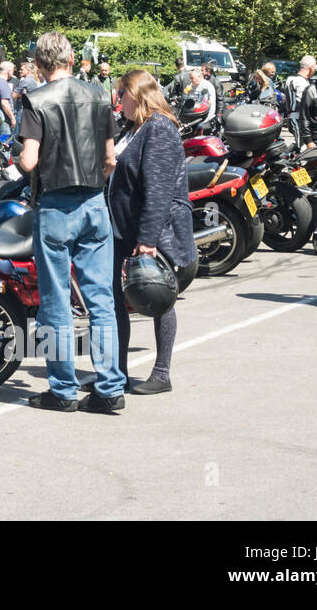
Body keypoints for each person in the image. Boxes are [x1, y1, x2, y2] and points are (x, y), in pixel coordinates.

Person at [19, 31, 123, 413]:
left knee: (56, 302)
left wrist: (20, 160)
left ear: (40, 64)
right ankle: (111, 387)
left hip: (56, 206)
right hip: (95, 202)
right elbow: (111, 158)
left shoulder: (36, 99)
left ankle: (62, 390)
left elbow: (29, 162)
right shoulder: (98, 94)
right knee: (101, 297)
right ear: (70, 57)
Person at [107, 70, 196, 394]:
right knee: (116, 300)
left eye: (122, 95)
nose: (119, 102)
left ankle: (161, 373)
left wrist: (147, 241)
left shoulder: (158, 128)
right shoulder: (133, 129)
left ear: (138, 94)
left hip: (153, 233)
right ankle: (116, 372)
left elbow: (157, 191)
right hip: (124, 229)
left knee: (159, 297)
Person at [282, 56, 317, 144]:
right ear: (311, 68)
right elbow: (302, 102)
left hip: (292, 117)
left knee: (298, 145)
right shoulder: (300, 82)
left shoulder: (291, 79)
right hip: (298, 118)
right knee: (301, 147)